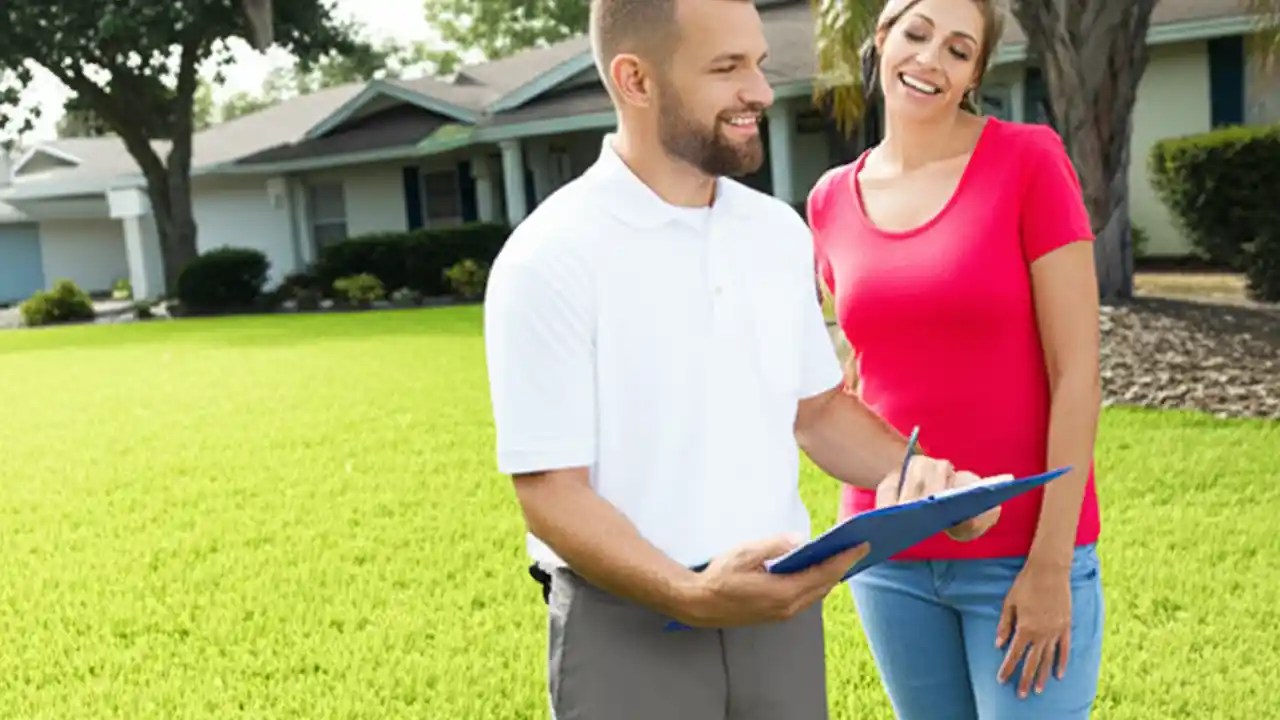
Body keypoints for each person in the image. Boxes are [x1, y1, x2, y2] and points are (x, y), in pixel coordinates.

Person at [483, 0, 1003, 717]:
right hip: (629, 624)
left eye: (757, 63)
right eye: (727, 68)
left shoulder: (774, 233)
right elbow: (549, 491)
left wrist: (927, 482)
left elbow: (817, 413)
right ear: (636, 80)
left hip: (778, 612)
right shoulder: (549, 257)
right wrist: (690, 595)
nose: (760, 90)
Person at [806, 0, 1106, 718]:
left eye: (958, 49)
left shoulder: (1028, 161)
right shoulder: (828, 200)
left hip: (1022, 552)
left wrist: (1050, 564)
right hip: (890, 552)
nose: (930, 59)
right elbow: (855, 370)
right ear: (882, 39)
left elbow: (1077, 376)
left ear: (975, 73)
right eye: (916, 34)